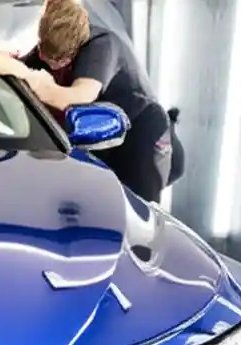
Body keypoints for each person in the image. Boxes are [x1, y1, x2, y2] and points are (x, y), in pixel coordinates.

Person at [20, 0, 177, 202]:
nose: (49, 61)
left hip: (141, 129)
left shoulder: (102, 45)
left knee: (138, 209)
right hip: (94, 131)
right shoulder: (45, 48)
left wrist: (37, 83)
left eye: (59, 59)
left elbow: (80, 97)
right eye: (44, 52)